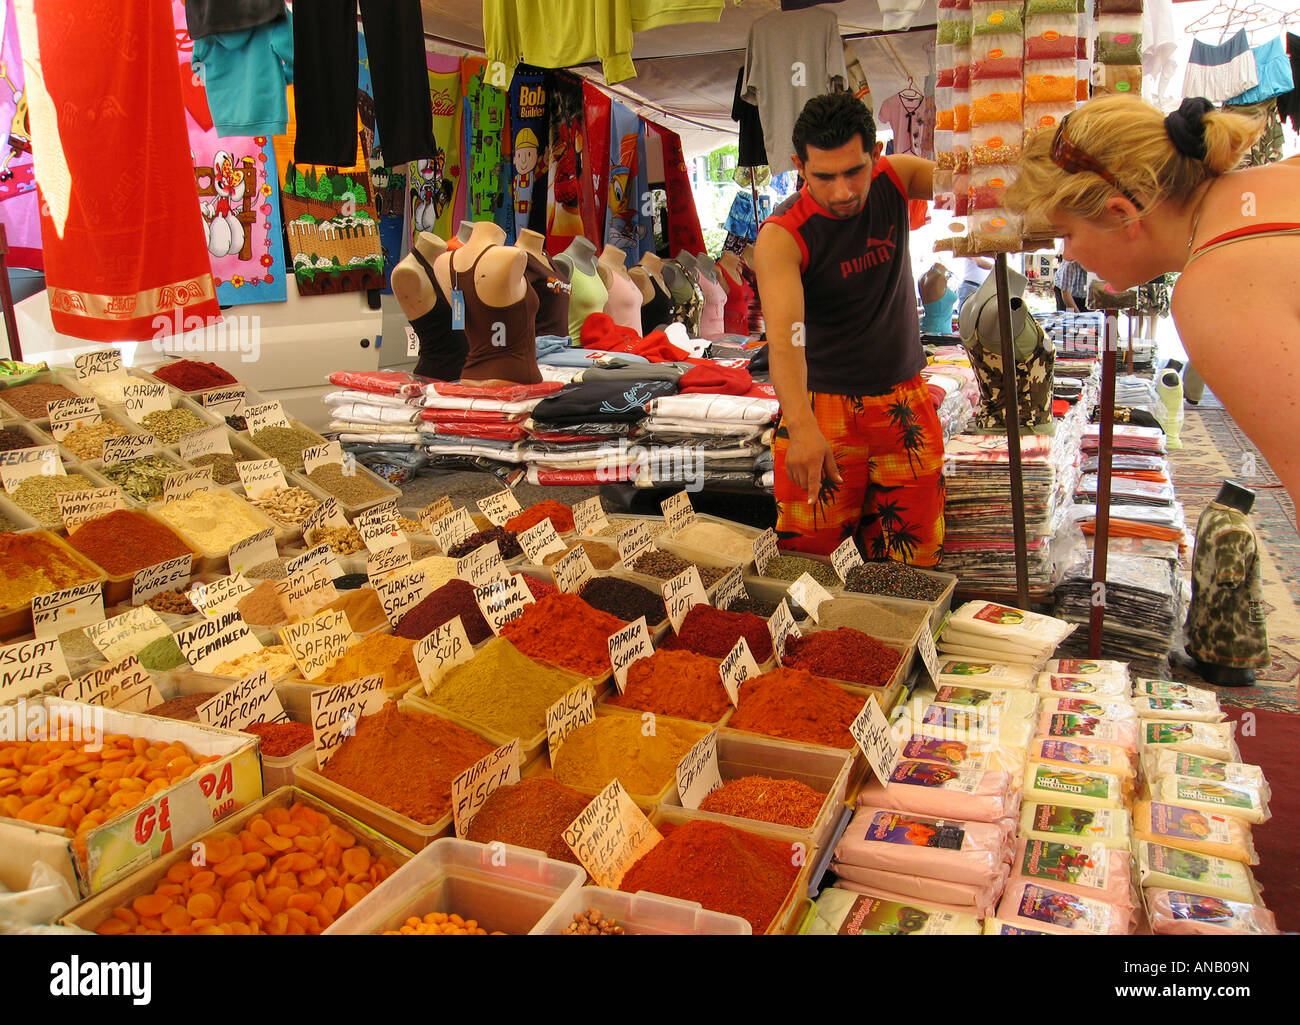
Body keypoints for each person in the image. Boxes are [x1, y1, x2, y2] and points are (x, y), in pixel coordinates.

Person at [1006, 94, 1300, 521]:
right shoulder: (1281, 178)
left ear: (1123, 214)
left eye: (1066, 233)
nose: (1067, 255)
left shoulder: (1214, 289)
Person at [754, 91, 944, 566]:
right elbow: (787, 340)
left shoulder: (897, 180)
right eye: (824, 176)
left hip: (903, 399)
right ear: (799, 165)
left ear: (875, 155)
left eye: (854, 171)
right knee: (810, 563)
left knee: (914, 558)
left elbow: (972, 180)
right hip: (822, 409)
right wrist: (799, 426)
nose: (842, 191)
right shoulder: (783, 235)